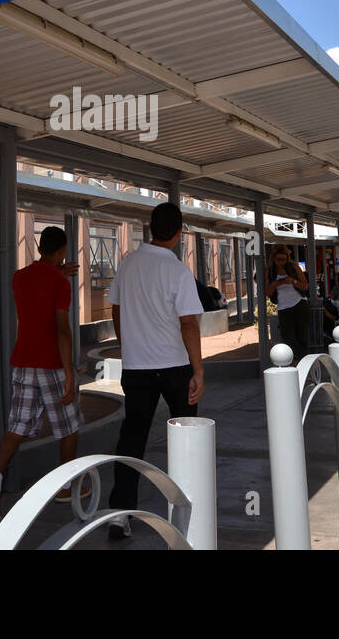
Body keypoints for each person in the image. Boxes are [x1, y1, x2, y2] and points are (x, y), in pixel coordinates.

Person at [106, 201, 205, 539]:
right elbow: (189, 323)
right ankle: (190, 509)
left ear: (150, 228)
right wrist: (199, 371)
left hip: (136, 368)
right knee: (187, 435)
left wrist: (127, 345)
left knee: (132, 439)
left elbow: (116, 310)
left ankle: (120, 514)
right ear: (179, 234)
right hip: (175, 366)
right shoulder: (178, 271)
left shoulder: (128, 264)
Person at [0, 226, 82, 521]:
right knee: (69, 425)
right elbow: (62, 329)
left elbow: (39, 283)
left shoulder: (18, 278)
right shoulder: (61, 285)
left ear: (40, 248)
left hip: (22, 362)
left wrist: (57, 270)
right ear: (61, 250)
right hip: (51, 364)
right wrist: (69, 372)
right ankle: (65, 485)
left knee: (17, 426)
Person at [267, 245, 310, 360]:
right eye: (278, 260)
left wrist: (293, 281)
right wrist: (275, 284)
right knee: (287, 336)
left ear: (287, 258)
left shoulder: (293, 267)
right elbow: (268, 293)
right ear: (273, 259)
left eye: (284, 259)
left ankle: (302, 360)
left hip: (299, 303)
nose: (281, 262)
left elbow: (305, 286)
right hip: (283, 307)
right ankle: (304, 358)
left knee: (302, 335)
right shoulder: (270, 271)